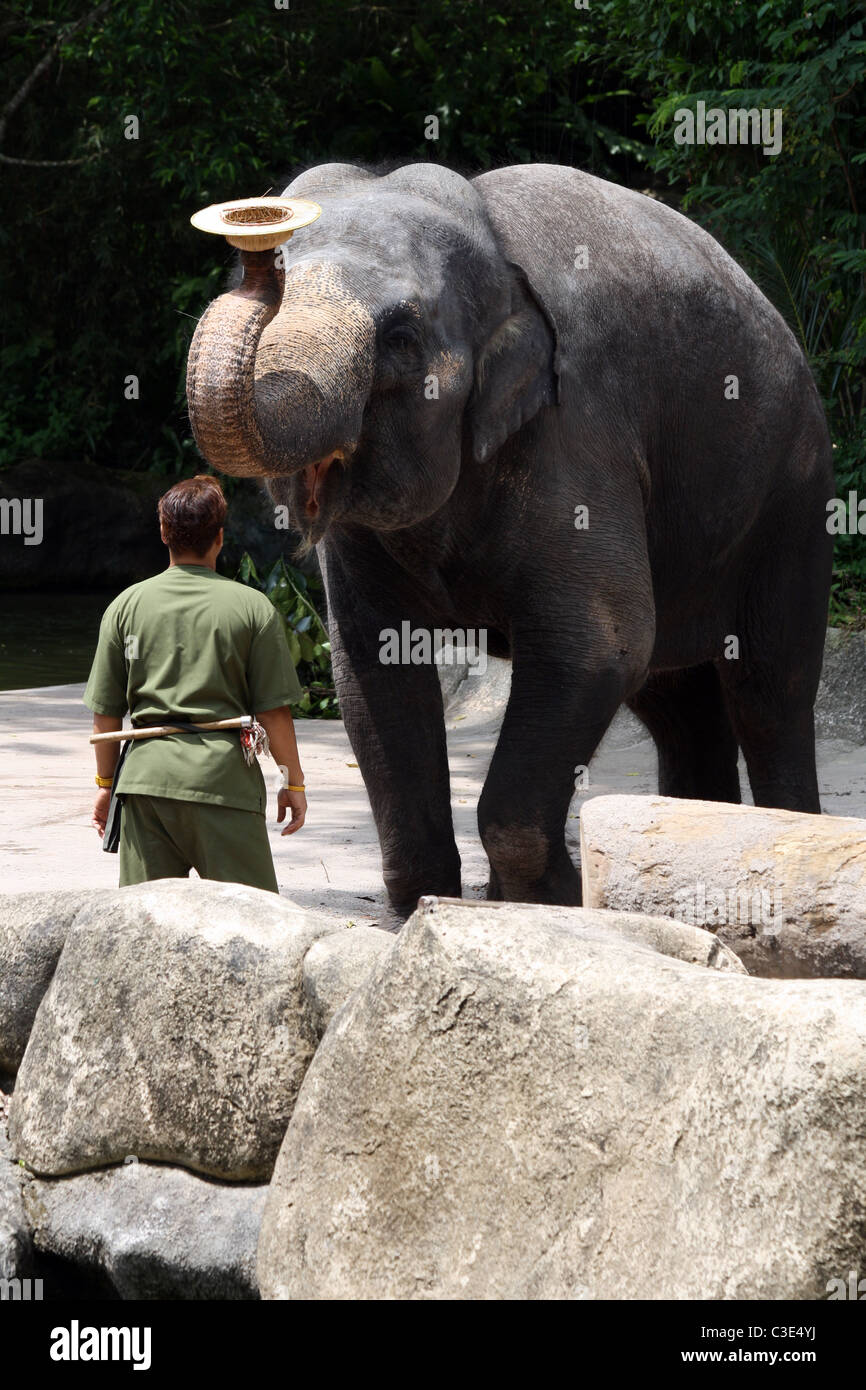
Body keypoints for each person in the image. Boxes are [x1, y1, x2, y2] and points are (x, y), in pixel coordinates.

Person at [84, 474, 306, 892]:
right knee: (252, 925)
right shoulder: (252, 608)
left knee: (145, 929)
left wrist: (106, 787)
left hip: (145, 787)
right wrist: (292, 782)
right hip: (223, 786)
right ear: (220, 537)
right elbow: (274, 711)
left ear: (164, 533)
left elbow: (106, 715)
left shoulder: (124, 608)